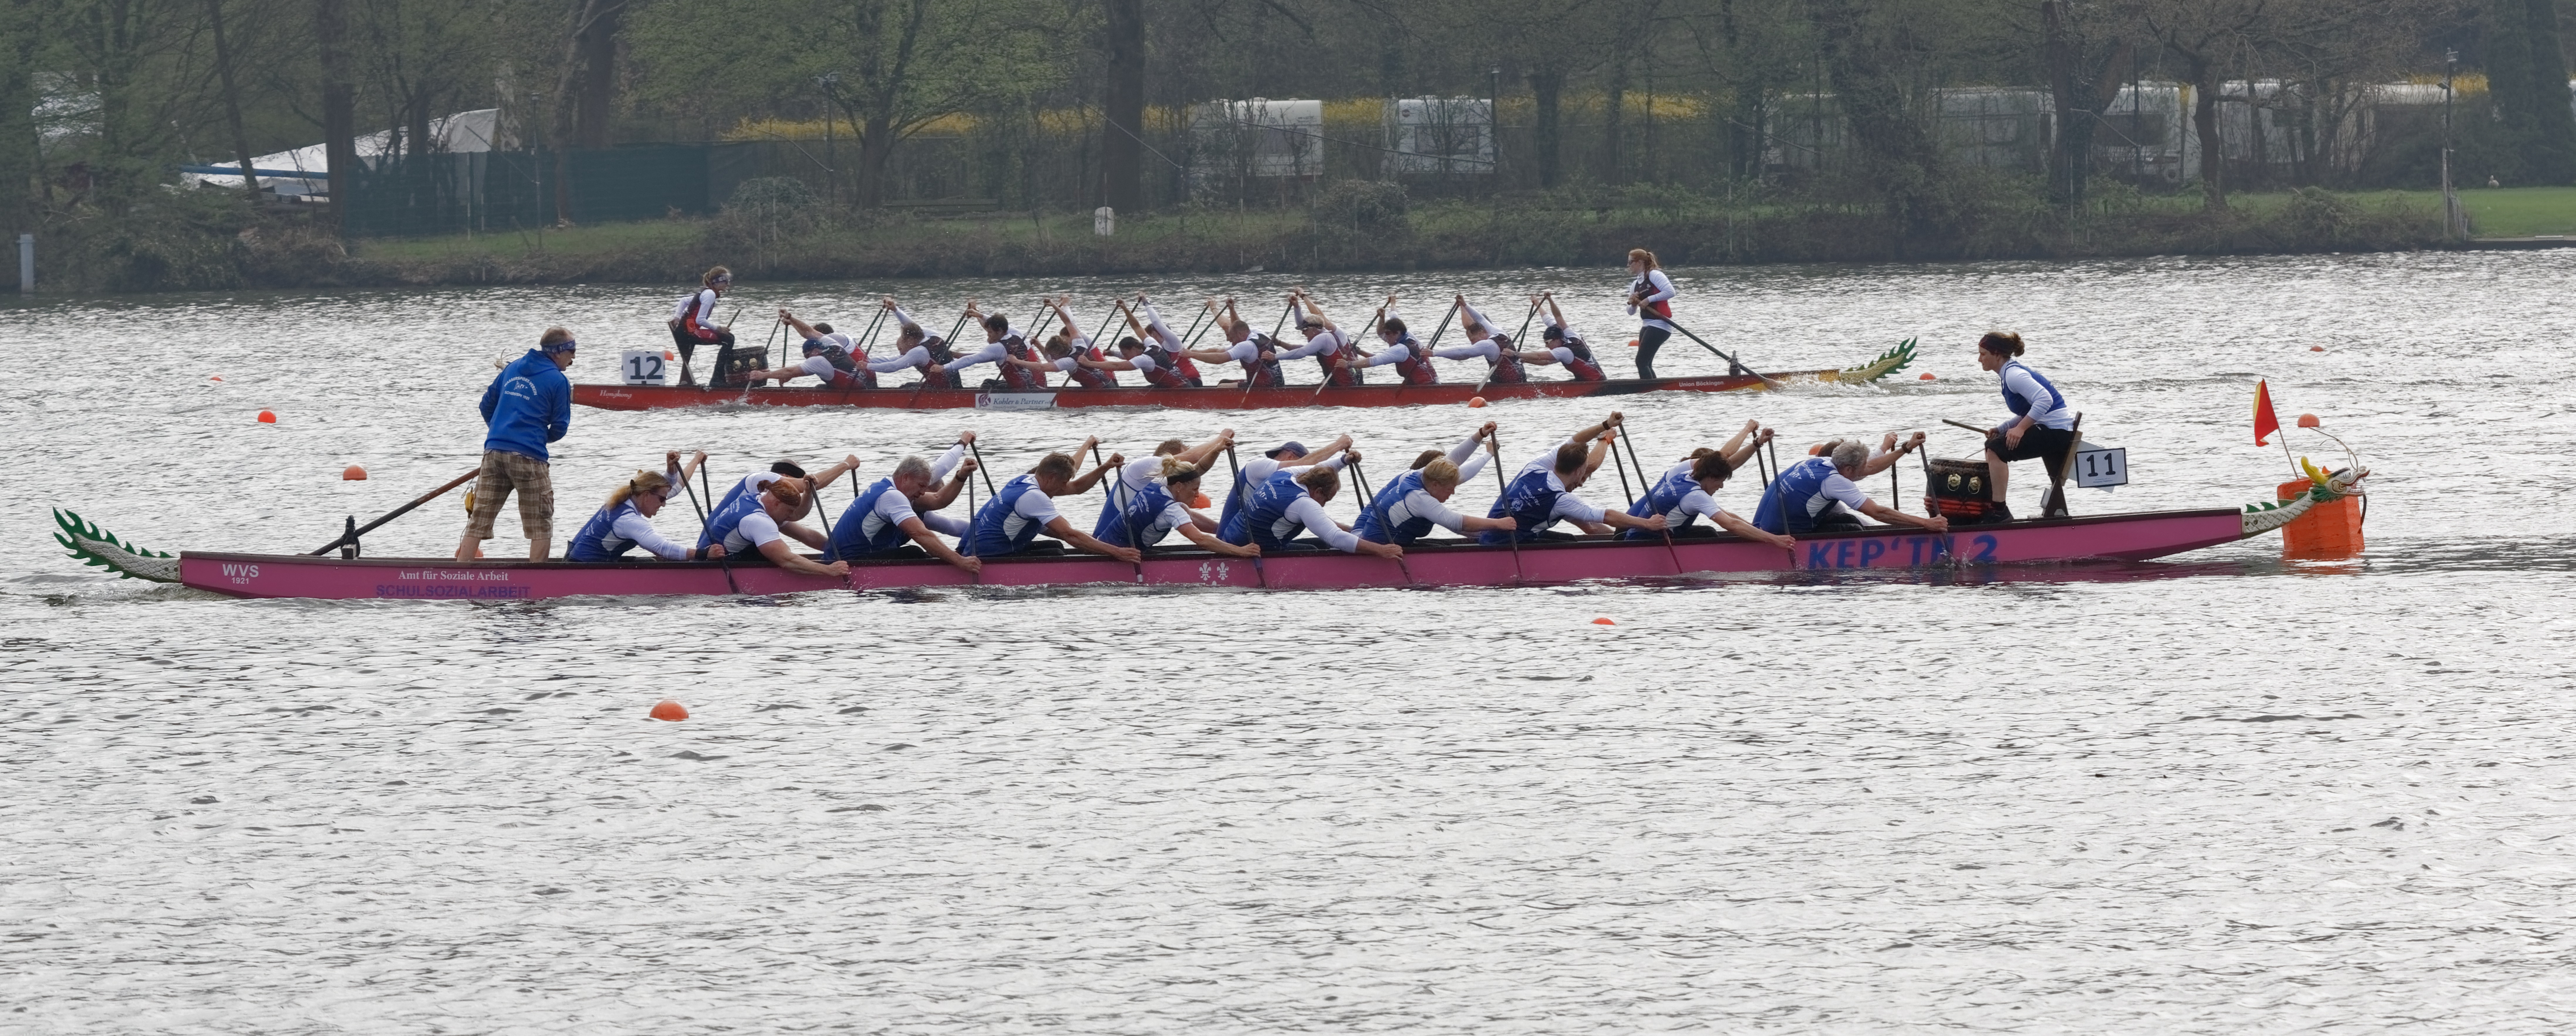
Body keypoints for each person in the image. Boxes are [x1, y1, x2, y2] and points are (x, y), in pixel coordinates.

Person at [456, 328, 577, 561]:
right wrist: (538, 438)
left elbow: (485, 406)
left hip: (494, 453)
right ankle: (537, 584)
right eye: (572, 352)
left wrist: (501, 432)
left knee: (479, 521)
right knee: (540, 524)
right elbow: (560, 427)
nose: (574, 358)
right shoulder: (558, 381)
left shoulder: (513, 368)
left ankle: (460, 574)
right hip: (529, 458)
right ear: (558, 352)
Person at [1479, 414, 1671, 544]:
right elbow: (1606, 515)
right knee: (1569, 542)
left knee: (1570, 538)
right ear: (1580, 471)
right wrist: (1647, 524)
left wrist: (1606, 425)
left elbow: (1592, 528)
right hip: (1505, 545)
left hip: (1489, 536)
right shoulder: (1561, 500)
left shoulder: (1534, 467)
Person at [1620, 422, 1795, 549]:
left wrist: (1757, 530)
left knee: (1708, 531)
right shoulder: (1695, 495)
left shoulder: (1684, 477)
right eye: (1721, 481)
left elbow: (1726, 512)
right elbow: (1731, 524)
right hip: (1643, 542)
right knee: (1710, 534)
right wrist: (1775, 540)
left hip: (1637, 534)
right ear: (1711, 477)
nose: (1721, 487)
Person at [1353, 422, 1519, 546]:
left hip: (1373, 535)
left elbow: (1455, 460)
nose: (1453, 493)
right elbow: (1456, 522)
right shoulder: (1419, 499)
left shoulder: (1420, 475)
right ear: (1435, 485)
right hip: (1372, 546)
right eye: (1450, 489)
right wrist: (1499, 524)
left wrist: (1480, 435)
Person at [966, 451, 1144, 563]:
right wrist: (1117, 552)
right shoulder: (1035, 498)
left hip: (987, 548)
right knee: (1057, 553)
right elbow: (1070, 535)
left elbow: (1077, 488)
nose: (1063, 489)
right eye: (1063, 483)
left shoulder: (1023, 481)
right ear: (1051, 477)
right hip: (990, 557)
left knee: (1057, 546)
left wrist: (1106, 467)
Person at [1227, 448, 1405, 558]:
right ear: (1319, 491)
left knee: (1320, 544)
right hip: (1248, 551)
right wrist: (1382, 551)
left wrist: (1344, 461)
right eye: (1326, 500)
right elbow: (1336, 538)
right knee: (1316, 548)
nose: (1323, 505)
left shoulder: (1288, 474)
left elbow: (1322, 468)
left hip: (1232, 536)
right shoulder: (1303, 503)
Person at [1752, 438, 1949, 536]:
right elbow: (1878, 513)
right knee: (1853, 526)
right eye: (1860, 468)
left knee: (1846, 518)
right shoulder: (1835, 482)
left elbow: (1871, 466)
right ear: (1847, 469)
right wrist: (1925, 523)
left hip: (1763, 526)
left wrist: (1907, 448)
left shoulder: (1816, 463)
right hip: (1786, 536)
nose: (1866, 470)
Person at [827, 454, 984, 576]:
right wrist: (960, 562)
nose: (924, 492)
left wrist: (961, 476)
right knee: (913, 552)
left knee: (916, 548)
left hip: (849, 557)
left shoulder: (887, 488)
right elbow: (922, 535)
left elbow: (938, 500)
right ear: (906, 477)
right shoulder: (893, 497)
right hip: (849, 563)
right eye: (922, 486)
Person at [1977, 331, 2076, 522]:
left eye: (1983, 354)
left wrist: (2021, 429)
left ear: (1997, 354)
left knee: (1995, 449)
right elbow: (2029, 410)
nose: (1979, 359)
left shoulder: (2014, 375)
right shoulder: (2008, 373)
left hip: (2056, 432)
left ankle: (1999, 511)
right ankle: (2056, 514)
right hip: (2053, 430)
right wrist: (2004, 428)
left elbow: (2044, 400)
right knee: (1994, 443)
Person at [567, 451, 728, 562]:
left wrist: (694, 460)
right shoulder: (629, 520)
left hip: (576, 561)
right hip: (585, 570)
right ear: (646, 496)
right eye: (662, 500)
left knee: (648, 561)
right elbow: (662, 548)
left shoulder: (627, 499)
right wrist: (703, 554)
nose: (664, 504)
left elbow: (675, 487)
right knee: (654, 559)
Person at [1097, 456, 1263, 557]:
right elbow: (1201, 540)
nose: (1198, 495)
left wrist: (1221, 530)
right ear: (1179, 486)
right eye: (1195, 490)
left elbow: (1188, 515)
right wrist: (1242, 552)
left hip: (1107, 545)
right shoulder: (1170, 510)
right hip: (1117, 555)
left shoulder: (1159, 484)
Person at [1090, 430, 1235, 543]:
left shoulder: (1163, 488)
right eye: (1183, 462)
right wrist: (1220, 440)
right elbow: (1195, 459)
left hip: (1128, 546)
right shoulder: (1141, 468)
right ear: (1171, 459)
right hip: (1106, 544)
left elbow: (1187, 516)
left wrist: (1224, 530)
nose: (1186, 468)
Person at [698, 476, 852, 578]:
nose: (792, 516)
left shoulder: (757, 499)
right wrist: (829, 570)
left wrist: (839, 552)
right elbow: (787, 561)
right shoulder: (759, 521)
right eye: (790, 512)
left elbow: (807, 536)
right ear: (778, 503)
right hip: (713, 565)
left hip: (712, 554)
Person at [1218, 435, 1352, 541]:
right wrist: (1339, 445)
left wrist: (1348, 530)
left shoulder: (1286, 489)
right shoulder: (1257, 467)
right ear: (1290, 457)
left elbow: (1310, 515)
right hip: (1231, 540)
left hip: (1251, 538)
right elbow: (1304, 464)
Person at [1076, 297, 1204, 388]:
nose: (1125, 358)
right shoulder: (1152, 344)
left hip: (1183, 390)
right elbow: (1137, 328)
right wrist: (1125, 309)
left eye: (1126, 354)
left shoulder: (1145, 359)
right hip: (1173, 386)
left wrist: (1090, 364)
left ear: (1133, 349)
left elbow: (1117, 367)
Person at [999, 296, 1116, 389]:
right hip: (1098, 387)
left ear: (1058, 353)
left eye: (1053, 355)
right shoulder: (1079, 345)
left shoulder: (1069, 362)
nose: (1052, 358)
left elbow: (1042, 367)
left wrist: (1017, 362)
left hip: (1104, 390)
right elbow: (1068, 323)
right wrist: (1054, 306)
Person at [739, 309, 868, 388]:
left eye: (807, 355)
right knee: (819, 389)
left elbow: (790, 371)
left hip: (858, 389)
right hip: (863, 381)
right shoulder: (832, 344)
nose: (808, 358)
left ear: (815, 352)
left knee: (819, 391)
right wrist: (790, 318)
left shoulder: (818, 361)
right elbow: (809, 332)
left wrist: (763, 376)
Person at [1180, 297, 1287, 387]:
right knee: (1224, 382)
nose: (1230, 340)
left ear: (1240, 335)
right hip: (1277, 383)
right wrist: (1232, 310)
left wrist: (1192, 355)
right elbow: (1236, 325)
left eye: (1232, 337)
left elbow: (1219, 359)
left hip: (1263, 388)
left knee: (1222, 388)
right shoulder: (1259, 333)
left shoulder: (1246, 346)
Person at [944, 303, 1052, 392]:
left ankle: (973, 402)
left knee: (988, 384)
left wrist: (944, 368)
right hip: (1034, 383)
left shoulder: (1000, 347)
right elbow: (986, 353)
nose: (988, 334)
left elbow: (977, 358)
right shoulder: (1017, 336)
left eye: (990, 332)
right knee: (994, 383)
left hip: (1031, 387)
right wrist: (979, 315)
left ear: (1000, 331)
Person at [1335, 296, 1438, 385]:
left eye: (1388, 334)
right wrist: (1388, 309)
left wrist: (1349, 364)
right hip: (1425, 382)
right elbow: (1394, 315)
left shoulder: (1401, 349)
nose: (1385, 337)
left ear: (1397, 333)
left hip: (1425, 385)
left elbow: (1375, 361)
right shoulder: (1408, 337)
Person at [1276, 290, 1366, 387]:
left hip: (1347, 384)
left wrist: (1274, 357)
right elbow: (1299, 349)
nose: (1303, 333)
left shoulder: (1325, 337)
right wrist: (1297, 308)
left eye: (1305, 330)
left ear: (1315, 329)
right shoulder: (1323, 335)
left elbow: (1302, 352)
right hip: (1349, 379)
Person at [1432, 294, 1526, 384]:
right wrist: (1465, 305)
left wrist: (1434, 353)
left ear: (1482, 334)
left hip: (1508, 385)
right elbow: (1481, 319)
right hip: (1521, 379)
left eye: (1473, 340)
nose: (1473, 344)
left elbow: (1463, 352)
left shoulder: (1488, 345)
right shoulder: (1500, 332)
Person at [1514, 292, 1608, 382]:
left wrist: (1516, 354)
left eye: (1548, 343)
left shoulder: (1564, 352)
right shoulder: (1571, 336)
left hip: (1594, 383)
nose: (1547, 346)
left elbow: (1540, 356)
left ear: (1556, 340)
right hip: (1593, 379)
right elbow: (1556, 317)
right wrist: (1539, 303)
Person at [874, 298, 966, 389]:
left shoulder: (918, 352)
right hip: (954, 386)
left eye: (901, 349)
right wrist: (895, 310)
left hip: (946, 391)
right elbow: (912, 327)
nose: (901, 353)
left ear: (910, 340)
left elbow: (893, 366)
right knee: (909, 386)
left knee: (906, 389)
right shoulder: (933, 336)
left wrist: (867, 365)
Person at [668, 266, 733, 386]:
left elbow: (683, 301)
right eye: (725, 280)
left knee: (728, 337)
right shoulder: (710, 295)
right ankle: (717, 380)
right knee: (729, 339)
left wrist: (677, 317)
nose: (728, 283)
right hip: (690, 333)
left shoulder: (706, 292)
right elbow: (700, 320)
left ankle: (685, 383)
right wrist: (718, 328)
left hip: (685, 331)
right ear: (716, 281)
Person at [1624, 248, 1676, 379]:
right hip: (1648, 324)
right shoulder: (1635, 284)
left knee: (1641, 362)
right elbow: (1630, 312)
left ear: (1640, 262)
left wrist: (1648, 300)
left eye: (1631, 263)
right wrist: (1634, 303)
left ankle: (1648, 393)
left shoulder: (1654, 275)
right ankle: (1654, 392)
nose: (1628, 266)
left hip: (1661, 324)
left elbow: (1671, 292)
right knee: (1646, 363)